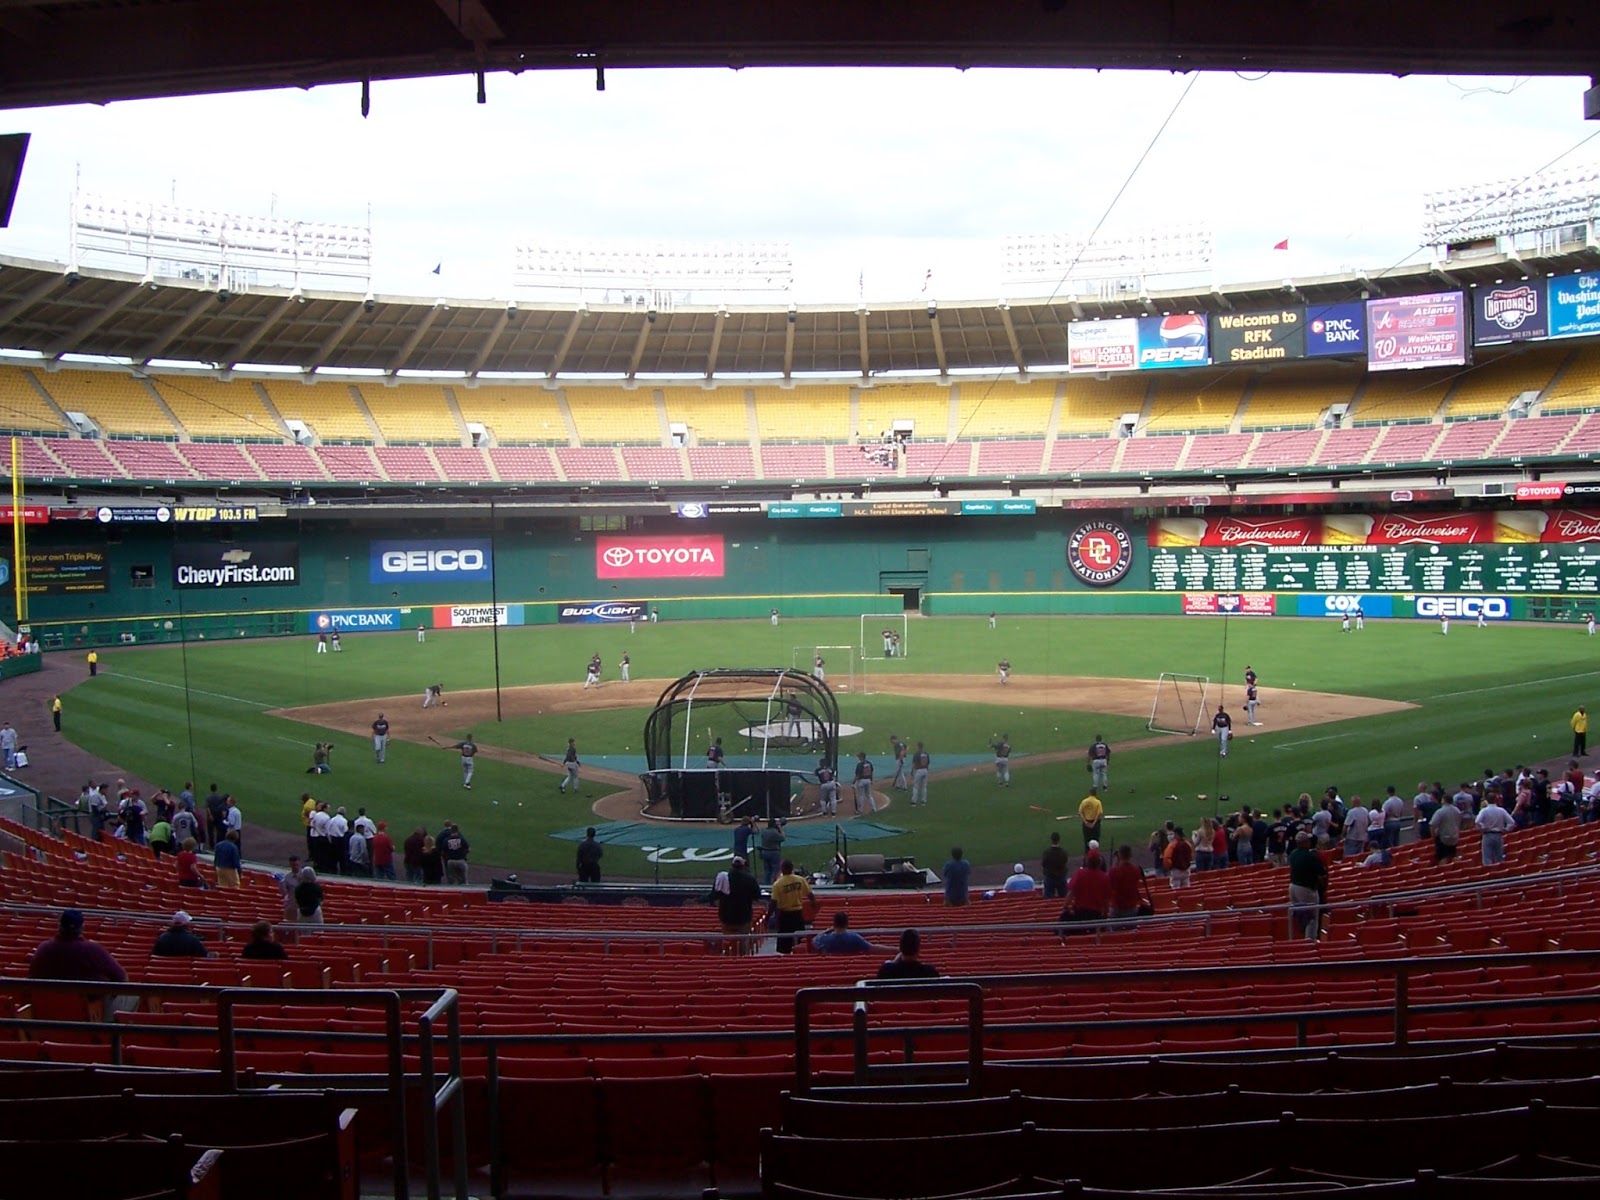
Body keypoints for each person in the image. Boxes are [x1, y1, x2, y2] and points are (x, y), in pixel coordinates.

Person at [28, 909, 128, 984]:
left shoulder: (44, 949)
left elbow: (31, 977)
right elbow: (121, 978)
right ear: (82, 927)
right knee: (132, 995)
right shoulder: (93, 950)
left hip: (45, 1006)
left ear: (60, 926)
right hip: (88, 1007)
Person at [714, 856, 763, 956]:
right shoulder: (749, 878)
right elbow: (757, 895)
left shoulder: (723, 878)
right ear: (743, 866)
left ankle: (729, 961)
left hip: (726, 916)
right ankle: (741, 961)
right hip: (743, 917)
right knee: (742, 942)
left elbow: (714, 894)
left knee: (728, 941)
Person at [1287, 830, 1328, 941]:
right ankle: (1309, 942)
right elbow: (1322, 873)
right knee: (1311, 918)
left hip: (1293, 887)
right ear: (1306, 842)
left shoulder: (1293, 854)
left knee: (1297, 915)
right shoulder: (1311, 856)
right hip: (1306, 889)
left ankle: (1296, 939)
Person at [769, 859, 814, 955]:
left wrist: (768, 916)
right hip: (798, 914)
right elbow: (810, 895)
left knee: (784, 943)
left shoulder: (778, 884)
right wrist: (813, 904)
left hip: (785, 915)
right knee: (800, 940)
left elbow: (773, 902)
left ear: (783, 869)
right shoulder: (800, 880)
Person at [1062, 847, 1112, 926]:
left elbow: (1071, 893)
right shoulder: (1104, 877)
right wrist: (1105, 915)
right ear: (1099, 862)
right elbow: (1106, 901)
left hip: (1079, 915)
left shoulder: (1080, 873)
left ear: (1087, 861)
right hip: (1096, 917)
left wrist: (1065, 908)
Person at [1107, 845, 1146, 920]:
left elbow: (1110, 885)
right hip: (1131, 906)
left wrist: (1116, 862)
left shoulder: (1114, 871)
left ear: (1119, 855)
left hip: (1117, 906)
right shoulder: (1136, 870)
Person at [1475, 793, 1515, 865]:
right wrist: (1506, 829)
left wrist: (1483, 828)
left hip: (1487, 835)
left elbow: (1477, 821)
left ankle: (1489, 873)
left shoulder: (1484, 811)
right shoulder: (1501, 810)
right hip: (1498, 835)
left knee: (1487, 858)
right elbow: (1511, 822)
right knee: (1499, 858)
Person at [1429, 793, 1464, 862]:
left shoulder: (1440, 811)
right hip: (1454, 837)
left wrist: (1433, 835)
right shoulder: (1456, 810)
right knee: (1452, 856)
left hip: (1443, 838)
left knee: (1443, 858)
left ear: (1444, 800)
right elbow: (1461, 822)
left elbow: (1432, 825)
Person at [1041, 832, 1069, 899]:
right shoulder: (1063, 852)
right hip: (1061, 876)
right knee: (1064, 897)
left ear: (1051, 840)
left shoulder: (1047, 852)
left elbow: (1044, 863)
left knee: (1048, 898)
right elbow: (1065, 861)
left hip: (1050, 876)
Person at [758, 817, 785, 884]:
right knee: (776, 870)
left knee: (767, 870)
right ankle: (775, 883)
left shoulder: (764, 831)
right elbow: (783, 838)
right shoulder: (774, 832)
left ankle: (767, 884)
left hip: (765, 852)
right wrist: (780, 828)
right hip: (773, 852)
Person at [909, 741, 931, 807]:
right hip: (925, 770)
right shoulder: (926, 753)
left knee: (915, 786)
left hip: (919, 771)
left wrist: (911, 772)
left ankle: (914, 802)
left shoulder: (916, 754)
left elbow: (914, 764)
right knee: (924, 786)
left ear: (918, 746)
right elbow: (928, 763)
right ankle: (923, 801)